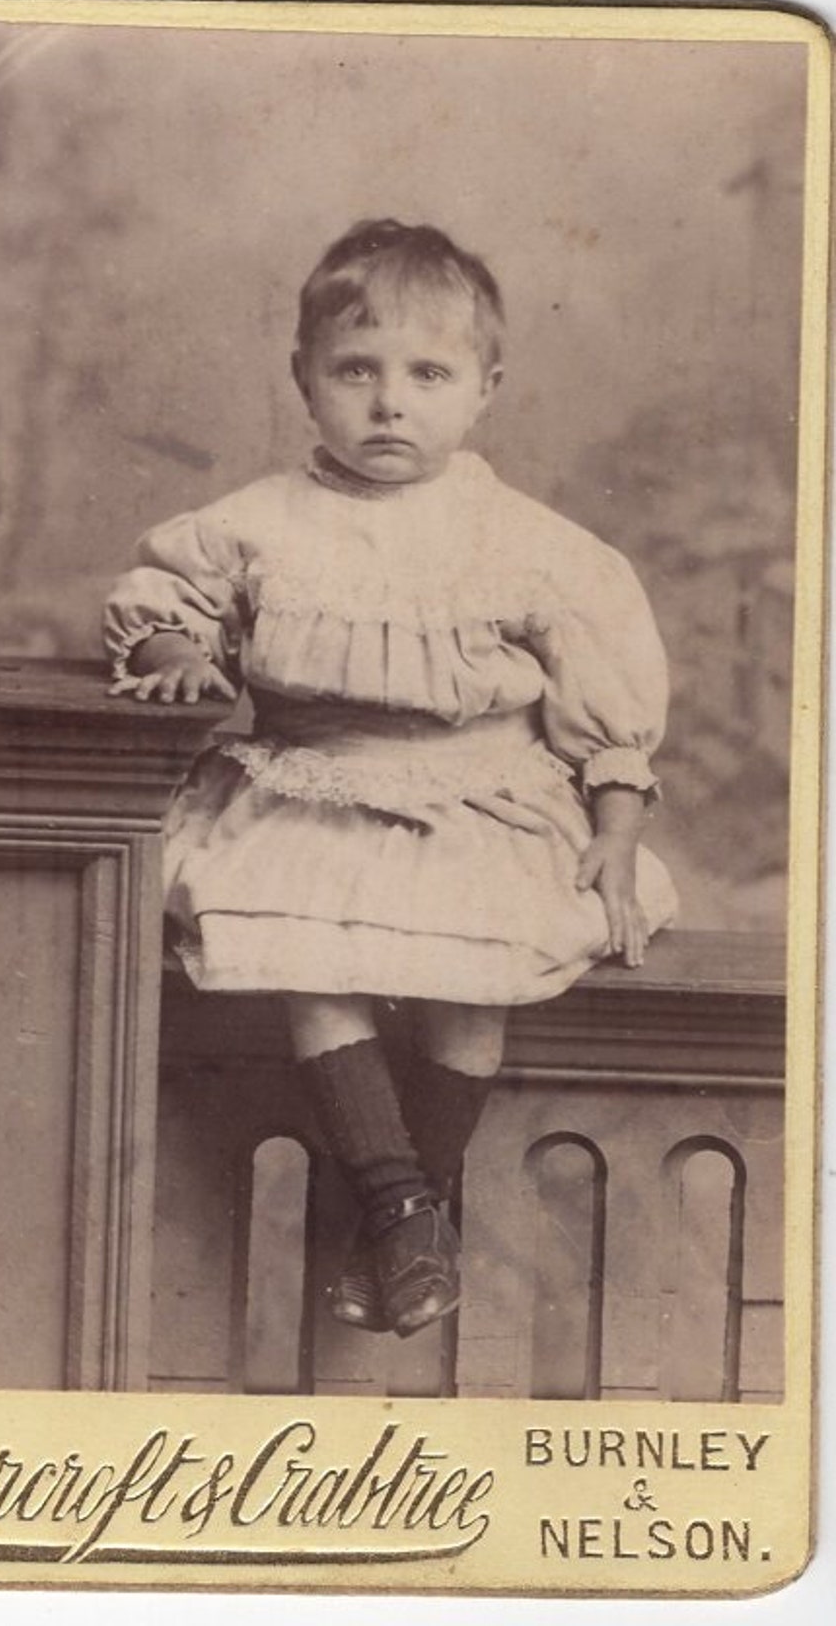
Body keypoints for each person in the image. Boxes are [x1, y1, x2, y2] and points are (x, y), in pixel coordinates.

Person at [103, 219, 677, 1340]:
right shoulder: (257, 523)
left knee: (476, 981)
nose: (389, 403)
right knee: (310, 953)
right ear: (304, 381)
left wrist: (613, 820)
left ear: (484, 391)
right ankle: (405, 1210)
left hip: (483, 799)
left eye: (428, 374)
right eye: (355, 371)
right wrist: (177, 650)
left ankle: (400, 1221)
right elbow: (172, 601)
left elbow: (602, 705)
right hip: (309, 789)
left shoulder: (528, 544)